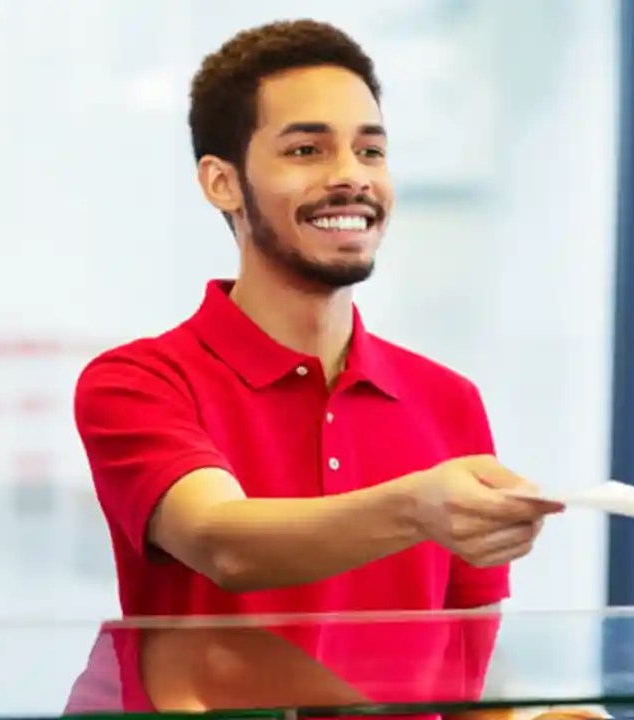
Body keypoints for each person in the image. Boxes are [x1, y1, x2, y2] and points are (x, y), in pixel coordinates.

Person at [73, 19, 562, 622]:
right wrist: (417, 508)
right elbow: (221, 541)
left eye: (371, 151)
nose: (352, 176)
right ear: (222, 183)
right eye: (307, 150)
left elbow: (467, 679)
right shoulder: (137, 383)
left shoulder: (449, 401)